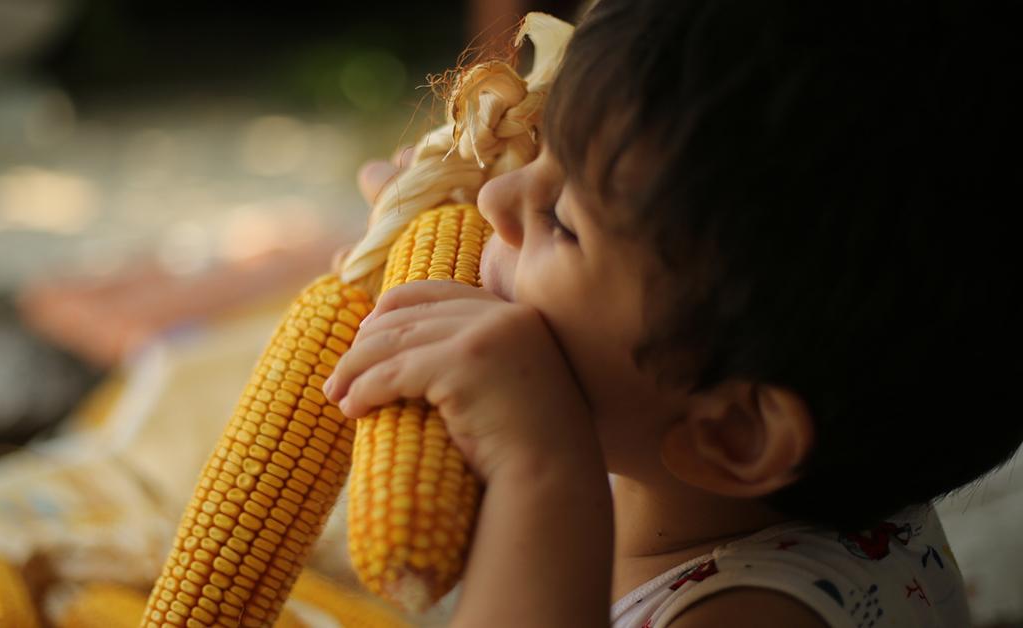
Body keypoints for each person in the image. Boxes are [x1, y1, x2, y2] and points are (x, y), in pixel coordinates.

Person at [322, 0, 1023, 626]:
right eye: (542, 151)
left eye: (561, 220)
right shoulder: (660, 435)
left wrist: (539, 470)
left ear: (735, 432)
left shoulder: (752, 614)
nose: (493, 203)